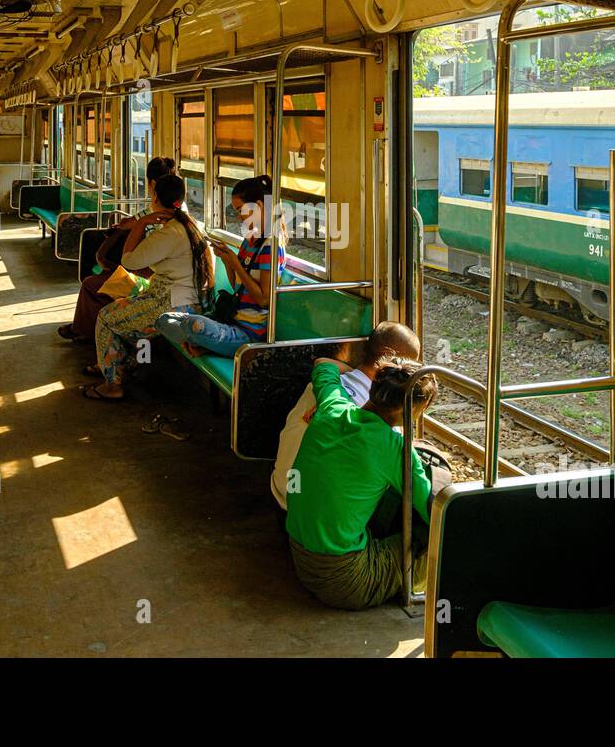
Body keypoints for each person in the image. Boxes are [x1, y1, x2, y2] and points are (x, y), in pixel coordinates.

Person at [285, 358, 441, 611]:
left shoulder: (333, 405)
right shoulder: (396, 449)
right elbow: (435, 516)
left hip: (299, 557)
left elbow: (323, 364)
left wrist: (352, 370)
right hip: (346, 582)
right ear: (412, 411)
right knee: (430, 535)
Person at [82, 173, 213, 401]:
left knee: (106, 317)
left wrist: (141, 223)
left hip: (173, 305)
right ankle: (119, 368)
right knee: (123, 315)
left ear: (155, 198)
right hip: (192, 301)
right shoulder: (193, 226)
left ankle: (113, 384)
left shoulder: (169, 233)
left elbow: (129, 260)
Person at [271, 321, 423, 512]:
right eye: (407, 366)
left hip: (281, 491)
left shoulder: (324, 385)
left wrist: (352, 371)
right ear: (390, 362)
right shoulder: (379, 414)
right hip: (315, 513)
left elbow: (323, 362)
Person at [155, 174, 285, 358]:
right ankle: (202, 343)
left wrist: (236, 264)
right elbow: (237, 287)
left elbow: (264, 299)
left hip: (249, 335)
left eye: (241, 210)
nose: (239, 217)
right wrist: (227, 261)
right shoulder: (249, 242)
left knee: (194, 325)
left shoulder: (271, 247)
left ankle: (201, 341)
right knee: (164, 320)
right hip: (230, 320)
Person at [57, 156, 178, 344]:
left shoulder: (158, 218)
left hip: (154, 281)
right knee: (99, 278)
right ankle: (84, 329)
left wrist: (133, 228)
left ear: (153, 185)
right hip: (162, 278)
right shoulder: (173, 214)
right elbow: (130, 224)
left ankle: (85, 332)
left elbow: (133, 259)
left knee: (92, 284)